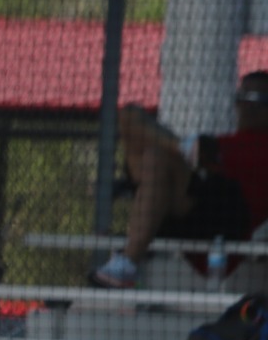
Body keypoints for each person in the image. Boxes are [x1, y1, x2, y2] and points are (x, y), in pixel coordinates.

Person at [92, 73, 268, 288]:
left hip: (226, 226)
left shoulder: (258, 147)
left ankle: (128, 261)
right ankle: (128, 262)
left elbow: (208, 157)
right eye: (242, 97)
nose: (247, 106)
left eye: (258, 99)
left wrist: (193, 153)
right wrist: (183, 148)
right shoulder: (226, 141)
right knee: (131, 118)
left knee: (159, 157)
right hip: (191, 213)